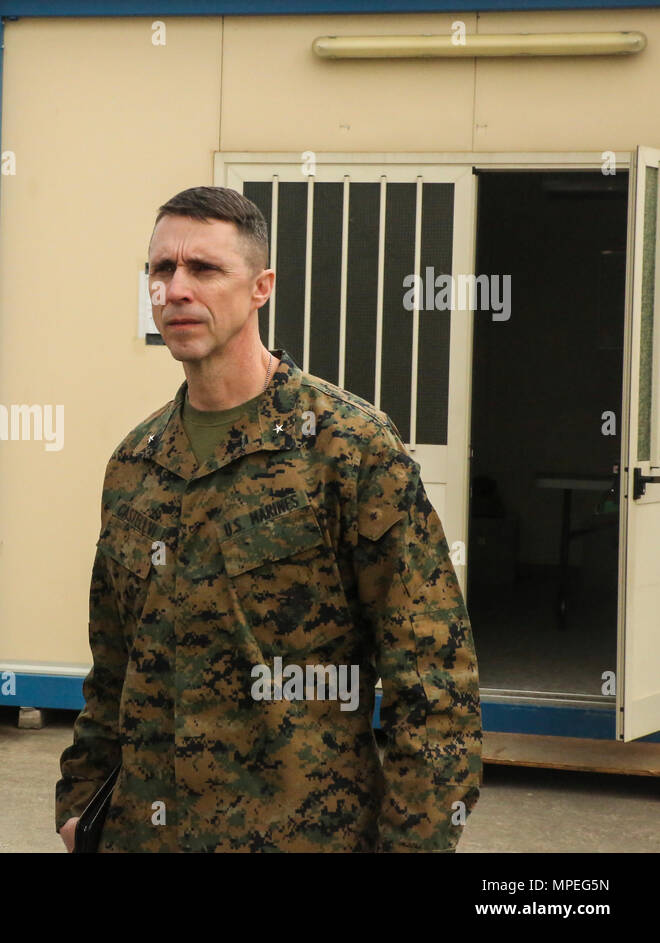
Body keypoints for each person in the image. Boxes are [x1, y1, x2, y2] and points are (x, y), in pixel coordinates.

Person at [55, 186, 481, 852]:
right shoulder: (136, 463)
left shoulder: (348, 447)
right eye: (160, 270)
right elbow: (113, 665)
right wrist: (81, 800)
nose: (176, 288)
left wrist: (416, 842)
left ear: (262, 286)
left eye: (204, 268)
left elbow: (430, 677)